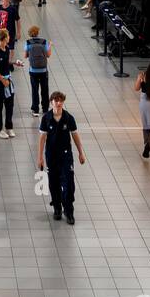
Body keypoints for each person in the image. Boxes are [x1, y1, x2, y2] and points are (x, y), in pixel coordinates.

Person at [37, 91, 86, 224]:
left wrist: (81, 152)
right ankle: (57, 208)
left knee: (69, 183)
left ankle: (68, 210)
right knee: (54, 183)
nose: (59, 103)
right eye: (56, 100)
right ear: (51, 101)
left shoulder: (68, 118)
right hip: (51, 156)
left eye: (61, 101)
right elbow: (42, 138)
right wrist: (40, 157)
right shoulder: (46, 118)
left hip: (66, 156)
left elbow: (75, 135)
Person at [0, 29, 17, 139]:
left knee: (10, 105)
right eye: (8, 36)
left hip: (8, 80)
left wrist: (15, 62)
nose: (10, 38)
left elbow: (6, 62)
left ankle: (9, 127)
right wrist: (2, 80)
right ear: (4, 38)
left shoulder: (7, 49)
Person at [25, 25, 52, 116]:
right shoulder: (44, 42)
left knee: (34, 90)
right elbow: (48, 55)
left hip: (33, 70)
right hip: (43, 70)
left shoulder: (28, 42)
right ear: (38, 33)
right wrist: (50, 46)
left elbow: (25, 56)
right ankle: (45, 109)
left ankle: (35, 109)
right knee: (44, 90)